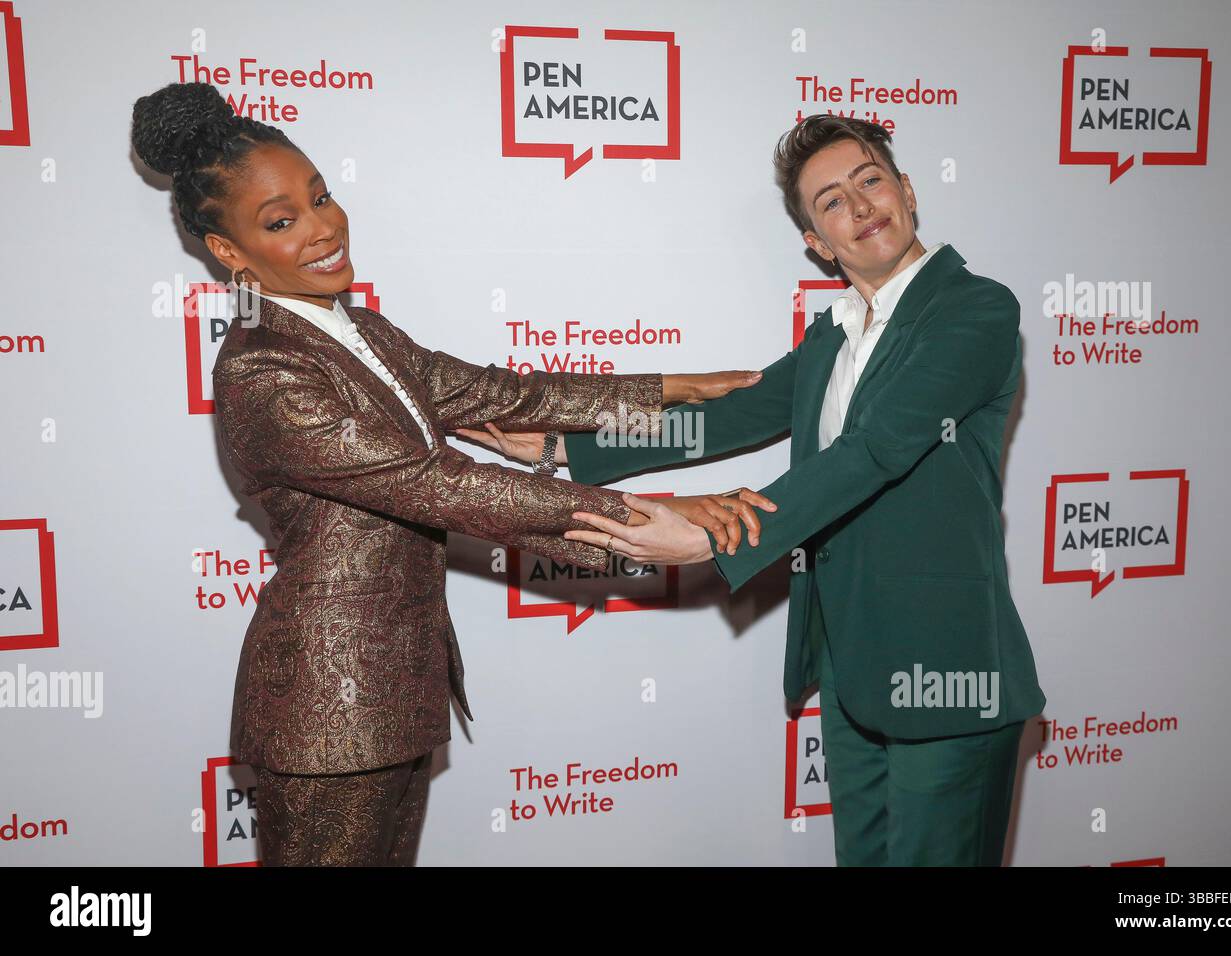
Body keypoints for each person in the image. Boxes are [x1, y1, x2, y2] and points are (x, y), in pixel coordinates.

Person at [129, 81, 770, 866]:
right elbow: (442, 483)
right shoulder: (263, 369)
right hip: (332, 707)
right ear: (228, 252)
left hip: (395, 693)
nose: (325, 228)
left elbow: (509, 394)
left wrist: (674, 387)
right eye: (282, 221)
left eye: (321, 196)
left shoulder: (358, 329)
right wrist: (652, 515)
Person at [473, 115, 1048, 866]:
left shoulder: (976, 308)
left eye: (870, 181)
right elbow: (722, 421)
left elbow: (878, 450)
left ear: (907, 191)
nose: (861, 205)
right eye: (832, 201)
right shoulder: (833, 334)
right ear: (818, 242)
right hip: (851, 661)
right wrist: (563, 446)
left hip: (948, 667)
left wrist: (716, 533)